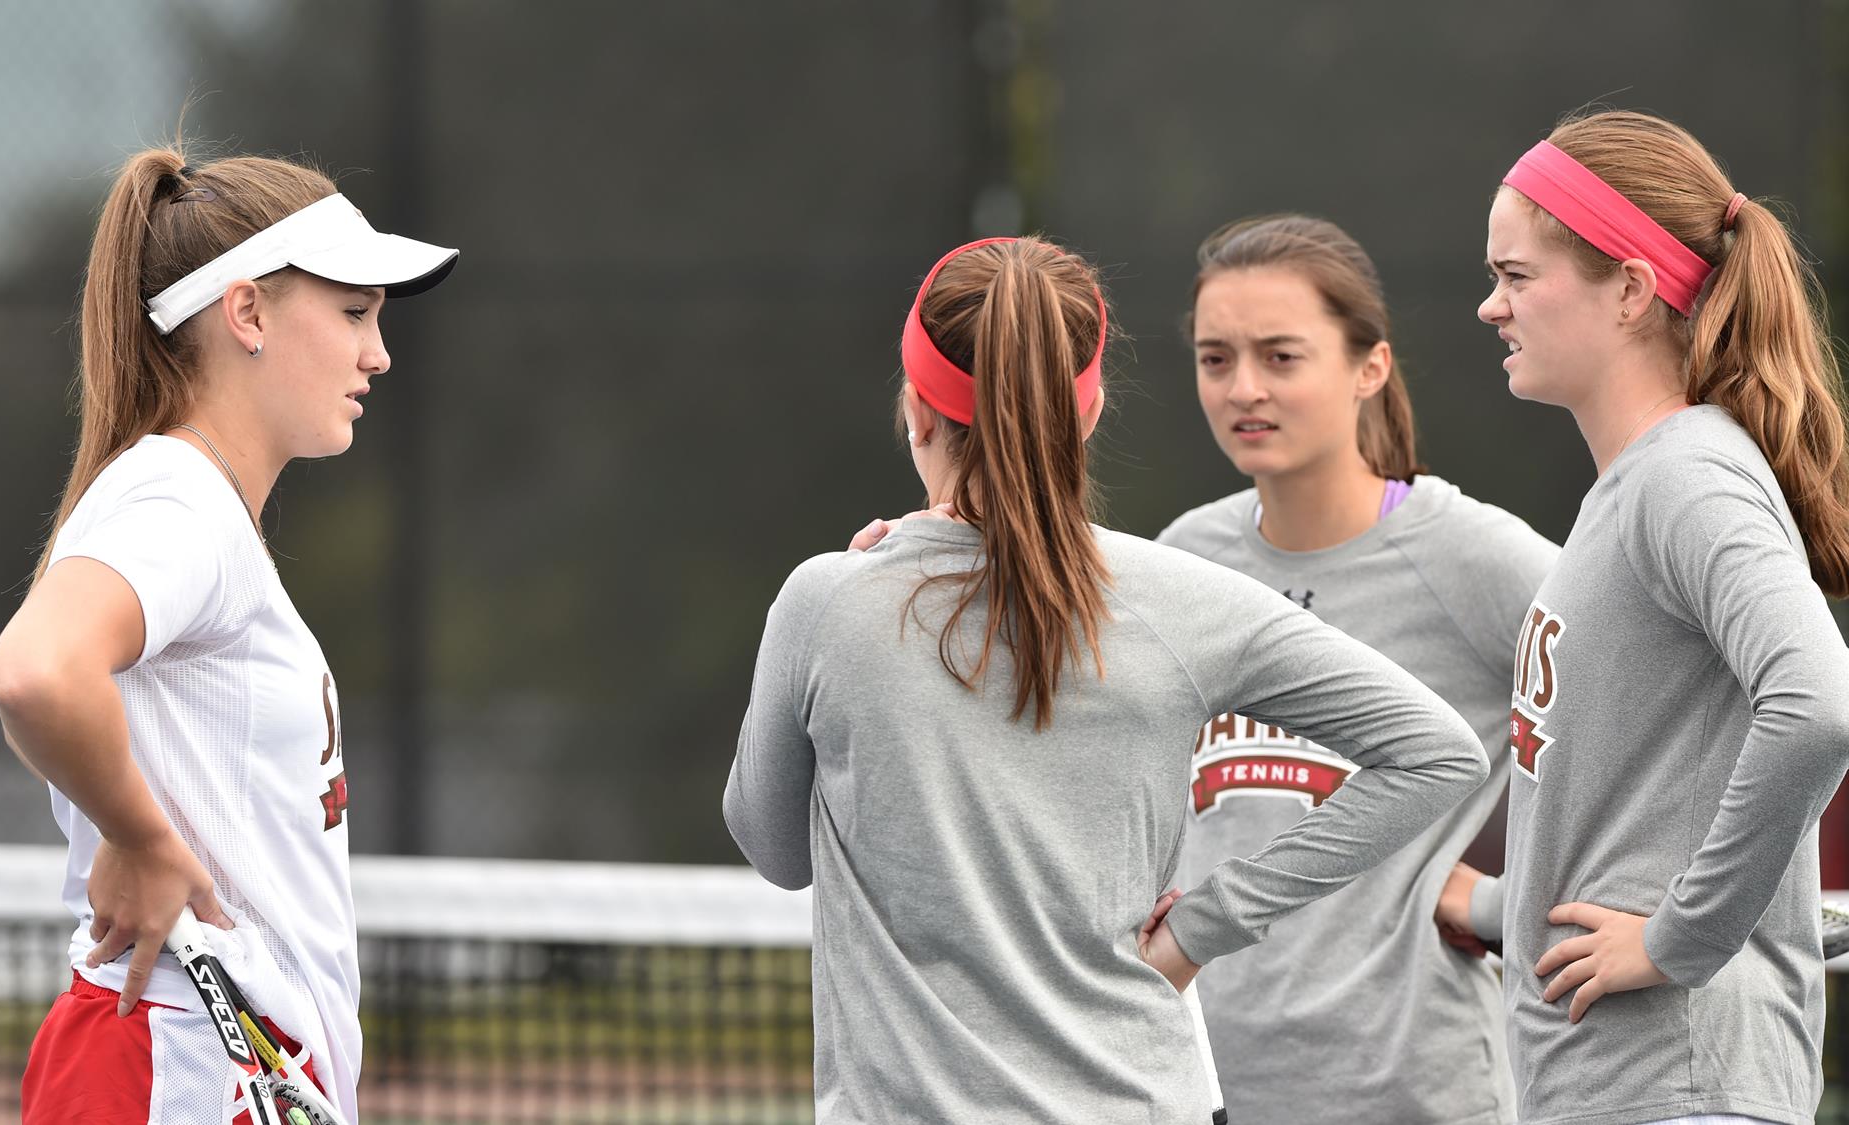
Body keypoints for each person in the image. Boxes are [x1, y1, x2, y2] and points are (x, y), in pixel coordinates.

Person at [723, 235, 1489, 1122]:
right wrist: (1206, 926)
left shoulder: (825, 602)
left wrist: (826, 627)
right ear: (1086, 415)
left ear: (916, 411)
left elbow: (774, 850)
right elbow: (1437, 752)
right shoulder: (1184, 600)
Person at [0, 147, 456, 1123]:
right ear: (245, 314)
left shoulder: (193, 507)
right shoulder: (179, 496)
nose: (378, 353)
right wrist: (139, 837)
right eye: (352, 313)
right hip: (172, 1061)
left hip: (214, 1063)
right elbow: (37, 670)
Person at [1447, 109, 1849, 1125]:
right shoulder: (1639, 487)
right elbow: (1628, 816)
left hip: (1675, 1089)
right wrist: (1475, 903)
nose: (1489, 307)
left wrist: (1678, 937)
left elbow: (1815, 706)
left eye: (1514, 275)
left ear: (1628, 289)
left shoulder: (1685, 474)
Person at [1157, 213, 1556, 1124]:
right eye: (1216, 358)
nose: (1243, 388)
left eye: (1282, 356)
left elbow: (1665, 712)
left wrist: (1503, 902)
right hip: (1199, 1089)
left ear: (1368, 367)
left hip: (1418, 1092)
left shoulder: (1477, 559)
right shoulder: (1184, 561)